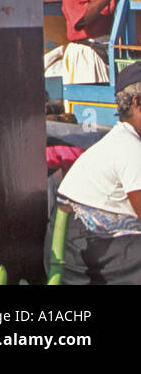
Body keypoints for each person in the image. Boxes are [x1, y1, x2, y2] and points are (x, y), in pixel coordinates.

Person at [50, 62, 141, 283]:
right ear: (138, 103)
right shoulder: (130, 147)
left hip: (80, 245)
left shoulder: (122, 138)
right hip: (83, 250)